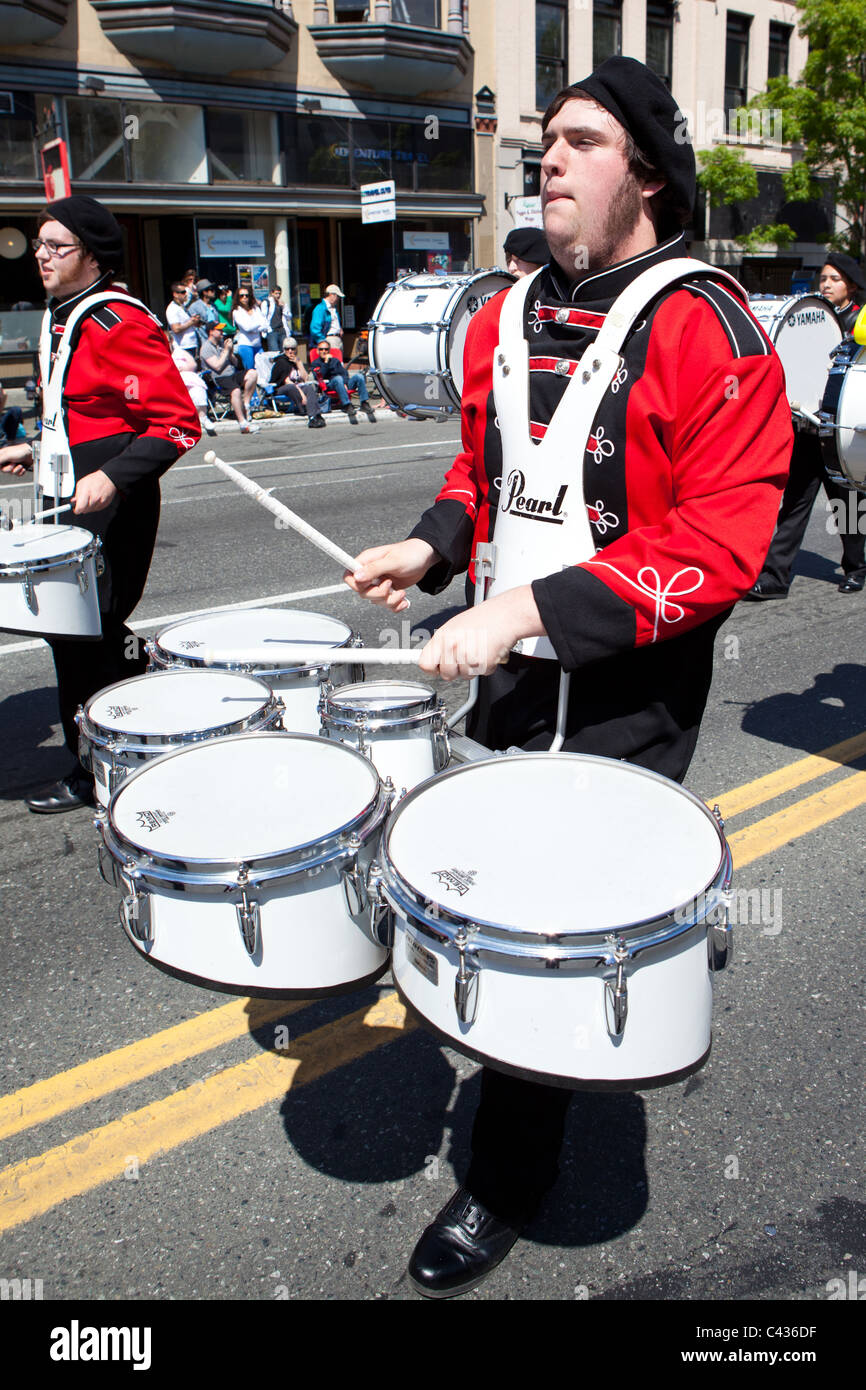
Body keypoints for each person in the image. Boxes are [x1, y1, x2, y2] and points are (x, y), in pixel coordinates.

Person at [344, 56, 792, 1298]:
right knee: (485, 897)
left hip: (623, 694)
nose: (549, 157)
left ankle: (503, 1178)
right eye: (548, 138)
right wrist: (432, 549)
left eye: (580, 141)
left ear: (644, 175)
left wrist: (523, 613)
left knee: (543, 926)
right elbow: (484, 475)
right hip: (502, 670)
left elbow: (718, 546)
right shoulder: (502, 315)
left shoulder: (711, 329)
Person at [0, 194, 201, 812]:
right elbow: (85, 416)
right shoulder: (64, 314)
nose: (42, 256)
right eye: (39, 244)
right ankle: (149, 720)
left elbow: (176, 423)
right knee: (78, 634)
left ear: (93, 256)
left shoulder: (116, 320)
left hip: (111, 507)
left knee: (84, 636)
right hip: (68, 498)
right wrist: (35, 453)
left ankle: (96, 771)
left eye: (57, 247)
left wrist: (113, 477)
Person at [745, 251, 866, 598]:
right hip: (809, 428)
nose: (826, 284)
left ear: (852, 287)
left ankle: (856, 567)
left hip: (841, 431)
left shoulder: (860, 323)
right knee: (796, 501)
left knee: (848, 504)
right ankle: (774, 578)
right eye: (823, 278)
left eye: (834, 280)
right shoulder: (812, 316)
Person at [199, 320, 259, 433]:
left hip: (232, 373)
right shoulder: (206, 348)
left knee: (252, 373)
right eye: (219, 330)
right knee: (235, 390)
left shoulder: (222, 343)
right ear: (211, 332)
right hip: (218, 378)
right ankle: (243, 423)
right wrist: (226, 351)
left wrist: (230, 353)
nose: (222, 332)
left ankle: (246, 405)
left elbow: (236, 364)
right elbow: (217, 367)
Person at [310, 339, 375, 424]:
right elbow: (320, 376)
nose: (324, 351)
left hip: (342, 384)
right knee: (338, 379)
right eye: (321, 349)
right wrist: (326, 362)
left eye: (326, 349)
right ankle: (347, 405)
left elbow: (344, 373)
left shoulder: (335, 361)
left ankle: (364, 403)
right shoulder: (316, 363)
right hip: (328, 385)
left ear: (329, 350)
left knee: (359, 376)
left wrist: (344, 382)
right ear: (318, 351)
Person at [269, 338, 325, 428]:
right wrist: (302, 395)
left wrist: (299, 363)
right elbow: (287, 381)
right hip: (281, 387)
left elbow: (305, 378)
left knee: (309, 388)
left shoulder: (296, 361)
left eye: (293, 348)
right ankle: (301, 407)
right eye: (287, 349)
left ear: (296, 349)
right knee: (292, 387)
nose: (290, 351)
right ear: (284, 350)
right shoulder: (281, 362)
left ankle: (314, 416)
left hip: (297, 386)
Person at [231, 288, 267, 371]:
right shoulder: (237, 311)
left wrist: (254, 328)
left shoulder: (256, 309)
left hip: (258, 345)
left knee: (262, 369)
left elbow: (265, 324)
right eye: (241, 296)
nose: (244, 297)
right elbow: (247, 328)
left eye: (247, 295)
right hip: (246, 345)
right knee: (250, 371)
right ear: (238, 297)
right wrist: (258, 324)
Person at [166, 280, 203, 354]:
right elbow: (176, 329)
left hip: (192, 344)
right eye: (183, 292)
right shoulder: (172, 309)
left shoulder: (182, 307)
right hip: (183, 347)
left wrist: (195, 322)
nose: (186, 294)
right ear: (175, 294)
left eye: (186, 292)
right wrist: (191, 322)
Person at [310, 284, 344, 350]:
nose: (338, 299)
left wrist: (339, 328)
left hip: (337, 339)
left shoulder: (333, 308)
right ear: (331, 295)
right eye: (338, 296)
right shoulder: (320, 308)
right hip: (329, 340)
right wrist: (323, 341)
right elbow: (315, 328)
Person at [260, 286, 289, 352]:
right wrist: (268, 329)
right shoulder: (267, 302)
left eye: (279, 294)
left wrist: (284, 307)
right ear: (272, 293)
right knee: (274, 351)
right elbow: (263, 317)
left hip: (282, 330)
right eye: (276, 293)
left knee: (284, 350)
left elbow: (288, 317)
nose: (278, 295)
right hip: (272, 330)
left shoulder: (282, 304)